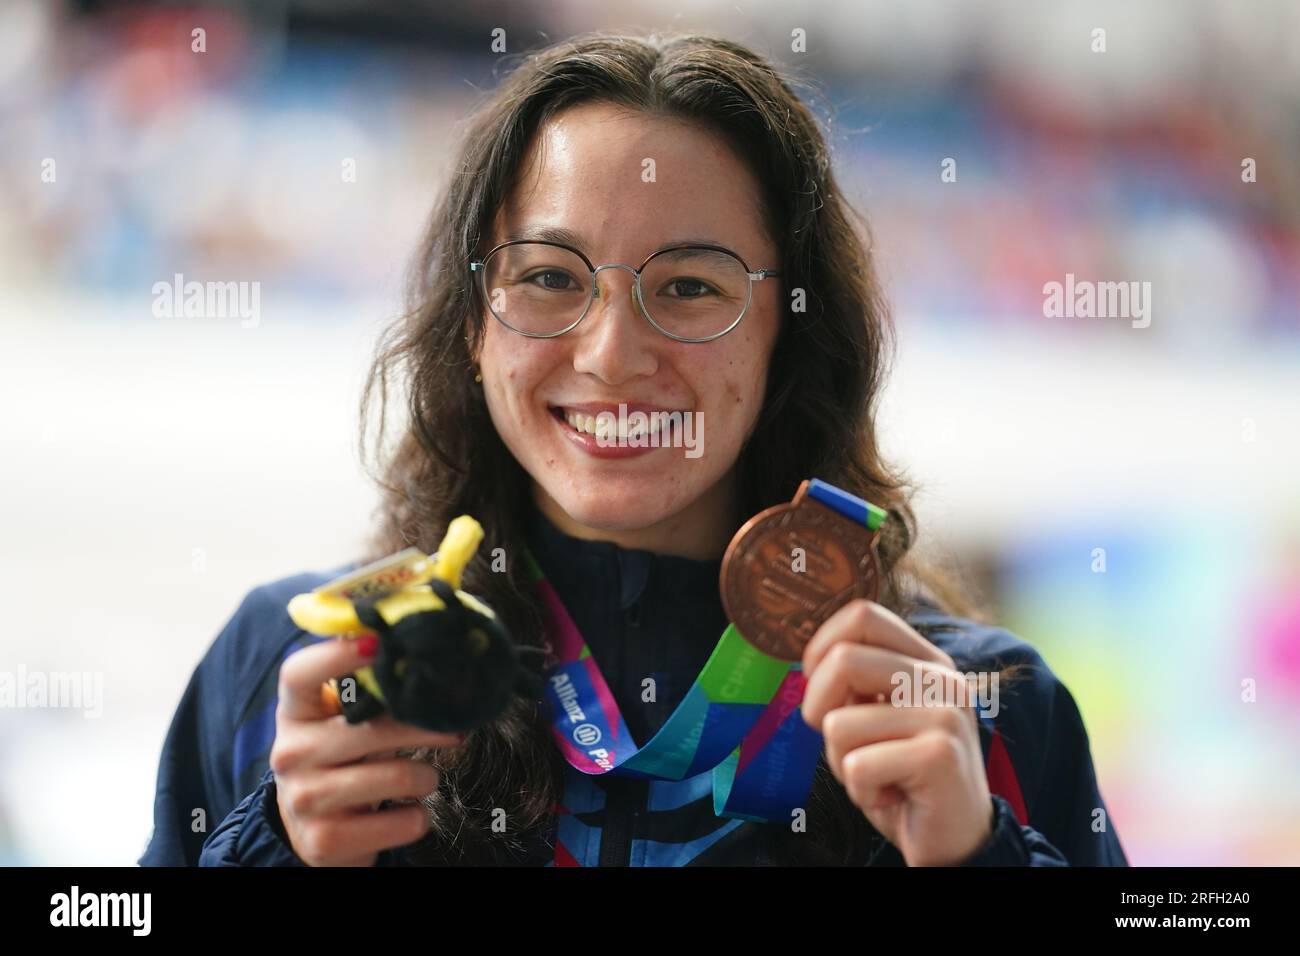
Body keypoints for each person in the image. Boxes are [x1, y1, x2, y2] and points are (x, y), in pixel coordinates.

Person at [140, 31, 1127, 867]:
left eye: (691, 285)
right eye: (549, 277)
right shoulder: (294, 668)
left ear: (786, 325)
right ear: (474, 325)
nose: (611, 356)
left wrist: (975, 856)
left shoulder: (979, 708)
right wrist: (273, 845)